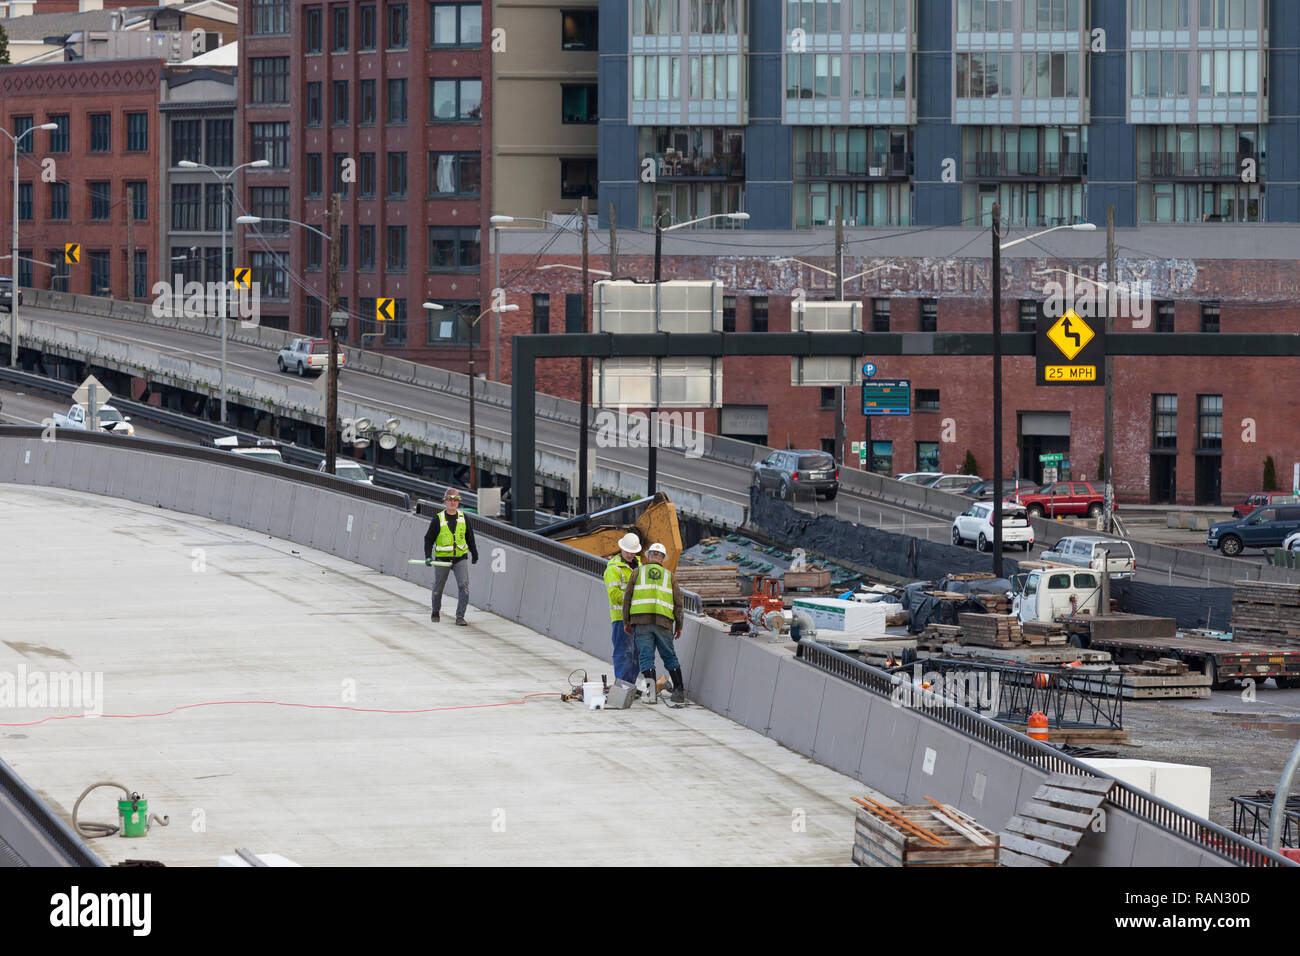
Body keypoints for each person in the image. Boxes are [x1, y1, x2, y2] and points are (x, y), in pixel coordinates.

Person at [622, 542, 685, 704]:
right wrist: (679, 626)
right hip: (663, 623)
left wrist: (626, 622)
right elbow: (678, 604)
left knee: (646, 658)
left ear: (649, 556)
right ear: (662, 558)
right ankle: (679, 691)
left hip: (640, 622)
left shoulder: (637, 572)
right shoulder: (669, 576)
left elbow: (627, 599)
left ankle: (651, 695)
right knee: (669, 656)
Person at [423, 488, 478, 625]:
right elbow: (428, 539)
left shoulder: (464, 518)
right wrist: (428, 556)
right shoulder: (438, 519)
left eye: (455, 500)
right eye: (450, 500)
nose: (453, 502)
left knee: (464, 586)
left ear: (458, 502)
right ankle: (435, 611)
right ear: (445, 501)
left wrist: (474, 553)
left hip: (460, 558)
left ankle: (460, 617)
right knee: (438, 587)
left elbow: (470, 537)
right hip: (442, 559)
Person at [604, 532, 642, 683]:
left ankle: (630, 685)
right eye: (627, 551)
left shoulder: (640, 565)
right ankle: (621, 685)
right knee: (623, 652)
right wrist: (634, 599)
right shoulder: (614, 569)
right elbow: (614, 594)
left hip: (638, 617)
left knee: (636, 654)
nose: (630, 555)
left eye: (633, 552)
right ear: (621, 549)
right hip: (621, 618)